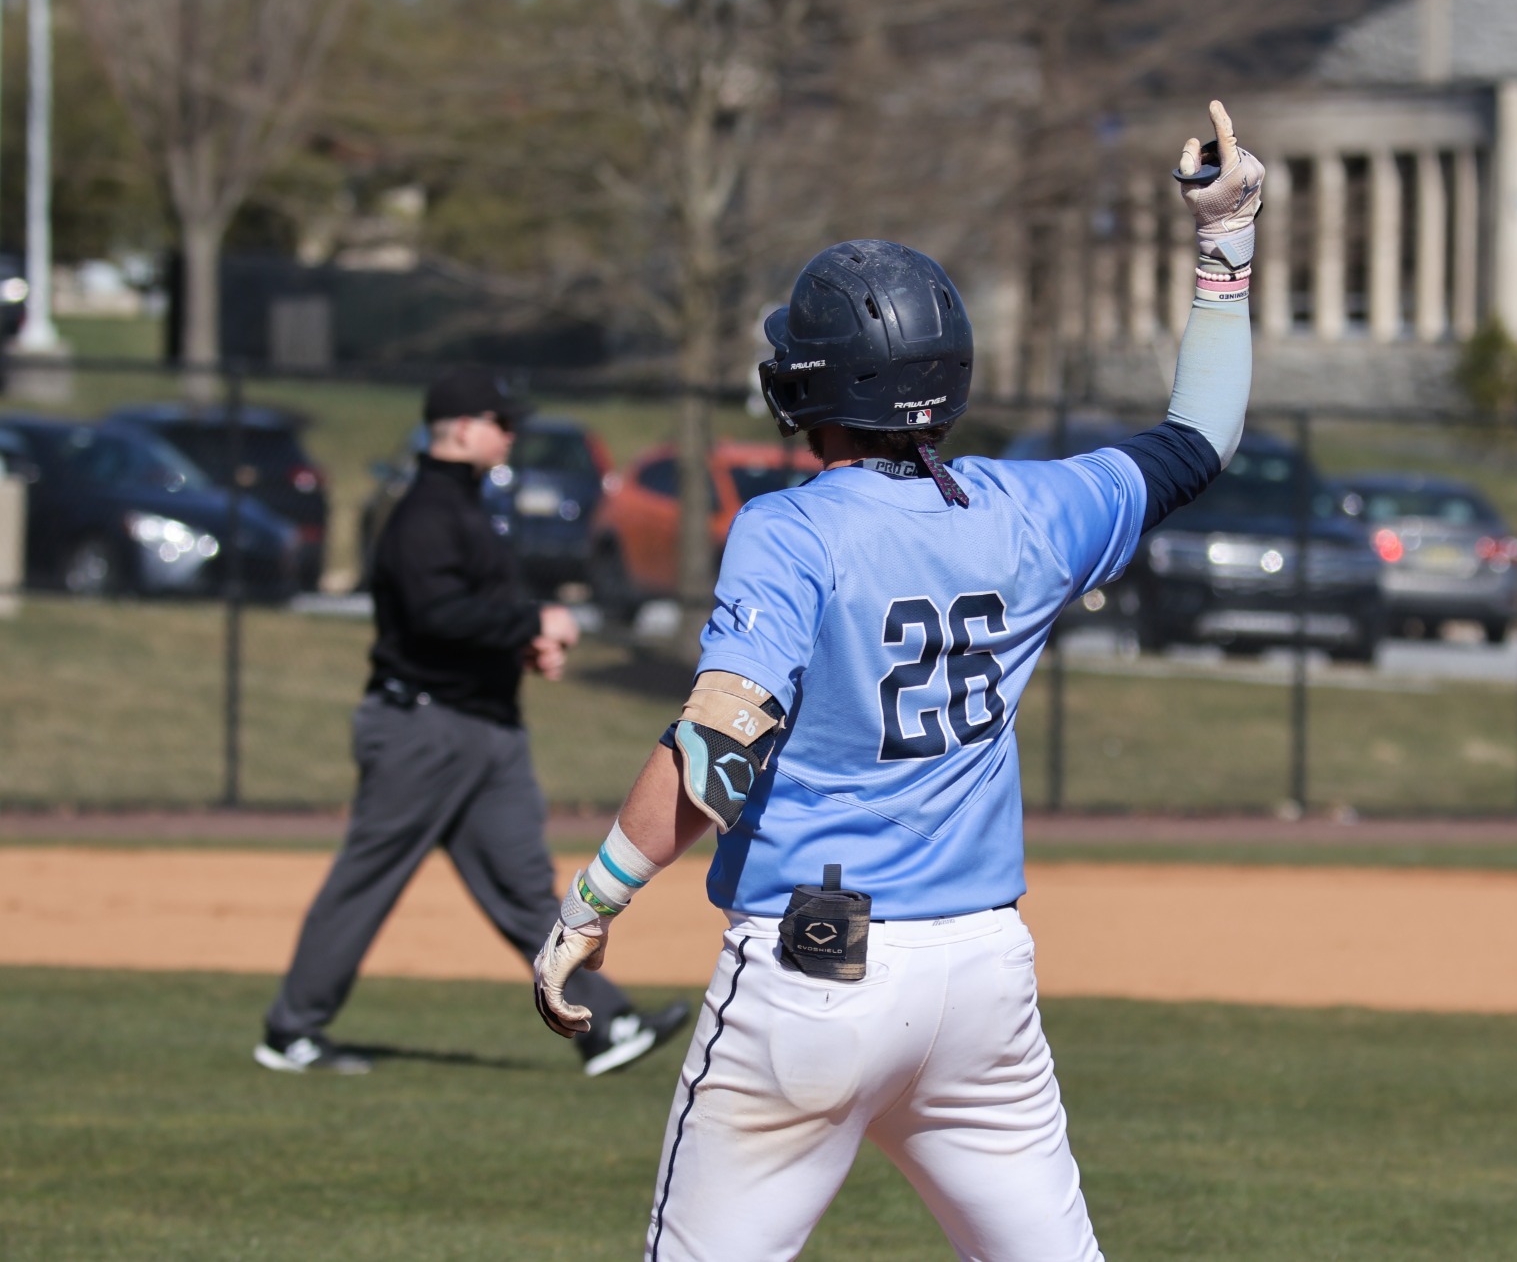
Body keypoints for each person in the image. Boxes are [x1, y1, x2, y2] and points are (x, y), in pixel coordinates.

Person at [531, 100, 1262, 1258]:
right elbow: (1200, 437)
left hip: (813, 972)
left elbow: (715, 754)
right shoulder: (1031, 507)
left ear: (805, 390)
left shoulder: (789, 530)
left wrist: (593, 900)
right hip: (979, 976)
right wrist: (1224, 237)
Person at [256, 367, 689, 1078]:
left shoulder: (464, 508)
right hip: (423, 730)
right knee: (367, 879)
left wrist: (522, 642)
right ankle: (290, 1030)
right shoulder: (425, 510)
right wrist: (530, 620)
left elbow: (466, 615)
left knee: (524, 887)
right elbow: (433, 616)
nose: (511, 433)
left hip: (483, 729)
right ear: (460, 427)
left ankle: (606, 1023)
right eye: (500, 420)